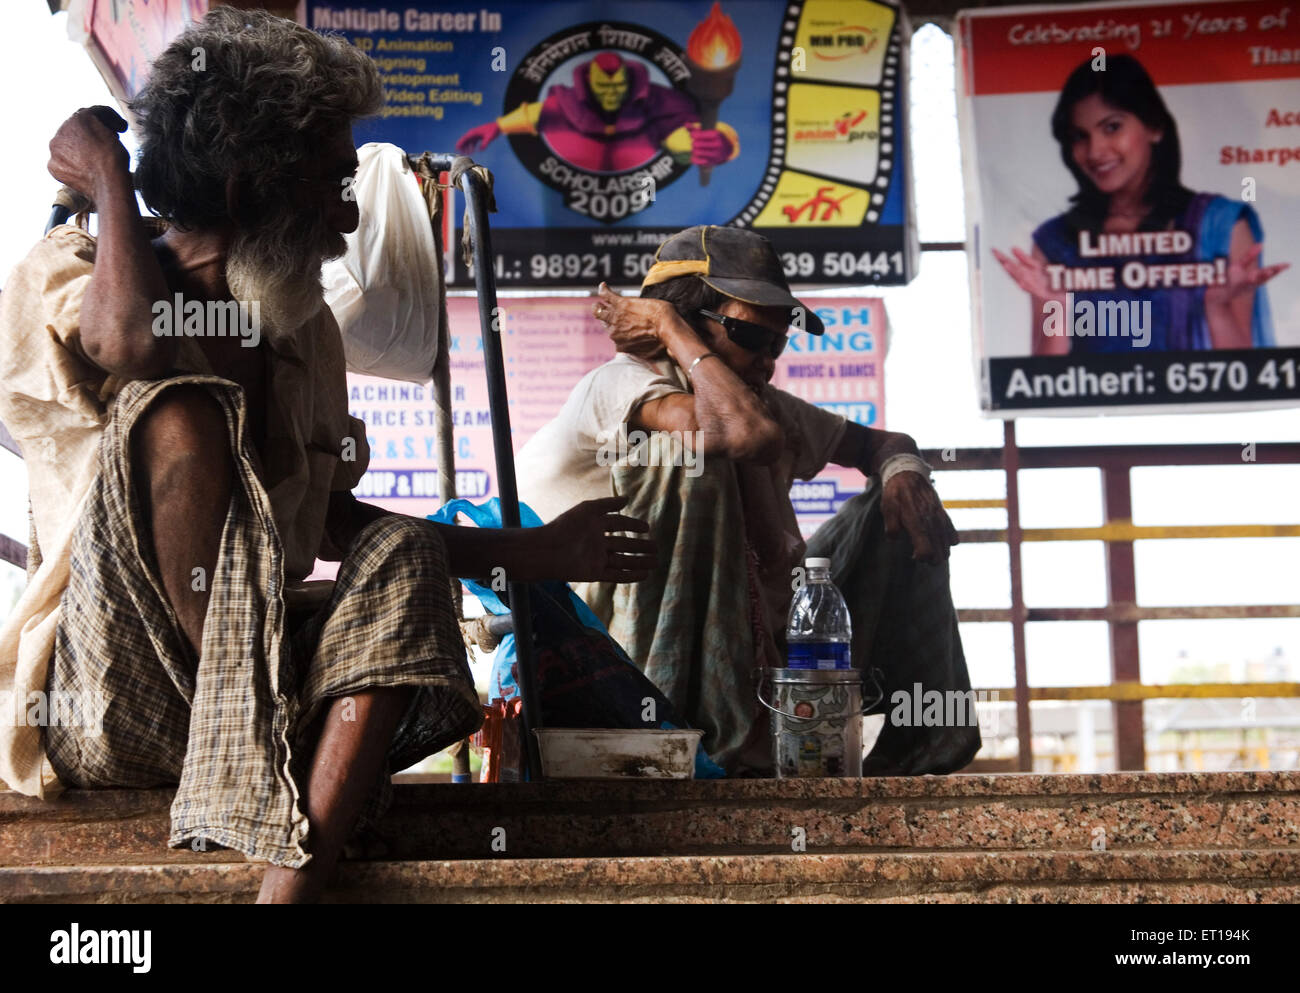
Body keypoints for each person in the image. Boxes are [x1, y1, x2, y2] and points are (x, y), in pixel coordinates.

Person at [0, 9, 654, 903]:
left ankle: (288, 895)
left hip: (261, 680)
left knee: (404, 551)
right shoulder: (72, 270)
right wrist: (110, 175)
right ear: (245, 190)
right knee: (182, 410)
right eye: (333, 185)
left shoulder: (302, 330)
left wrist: (539, 555)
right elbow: (137, 343)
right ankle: (261, 728)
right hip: (118, 694)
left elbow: (336, 523)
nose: (348, 219)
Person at [515, 225, 979, 776]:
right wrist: (668, 328)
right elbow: (738, 435)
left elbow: (883, 443)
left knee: (896, 502)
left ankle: (920, 745)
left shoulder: (759, 404)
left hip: (772, 652)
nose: (768, 361)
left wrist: (904, 471)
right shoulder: (622, 384)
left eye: (778, 345)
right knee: (694, 460)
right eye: (751, 338)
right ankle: (698, 739)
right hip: (615, 657)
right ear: (685, 323)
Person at [993, 55, 1289, 354]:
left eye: (1111, 128)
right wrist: (1056, 306)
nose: (1095, 151)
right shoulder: (1054, 242)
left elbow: (1243, 381)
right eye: (1079, 137)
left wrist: (1217, 308)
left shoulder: (1221, 226)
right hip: (1101, 400)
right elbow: (1048, 386)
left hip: (1196, 400)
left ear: (1155, 127)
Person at [455, 51, 738, 173]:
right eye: (604, 87)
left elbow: (687, 129)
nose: (611, 94)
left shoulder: (657, 100)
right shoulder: (569, 102)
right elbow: (538, 112)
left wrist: (718, 141)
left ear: (631, 83)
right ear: (589, 83)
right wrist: (497, 126)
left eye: (617, 87)